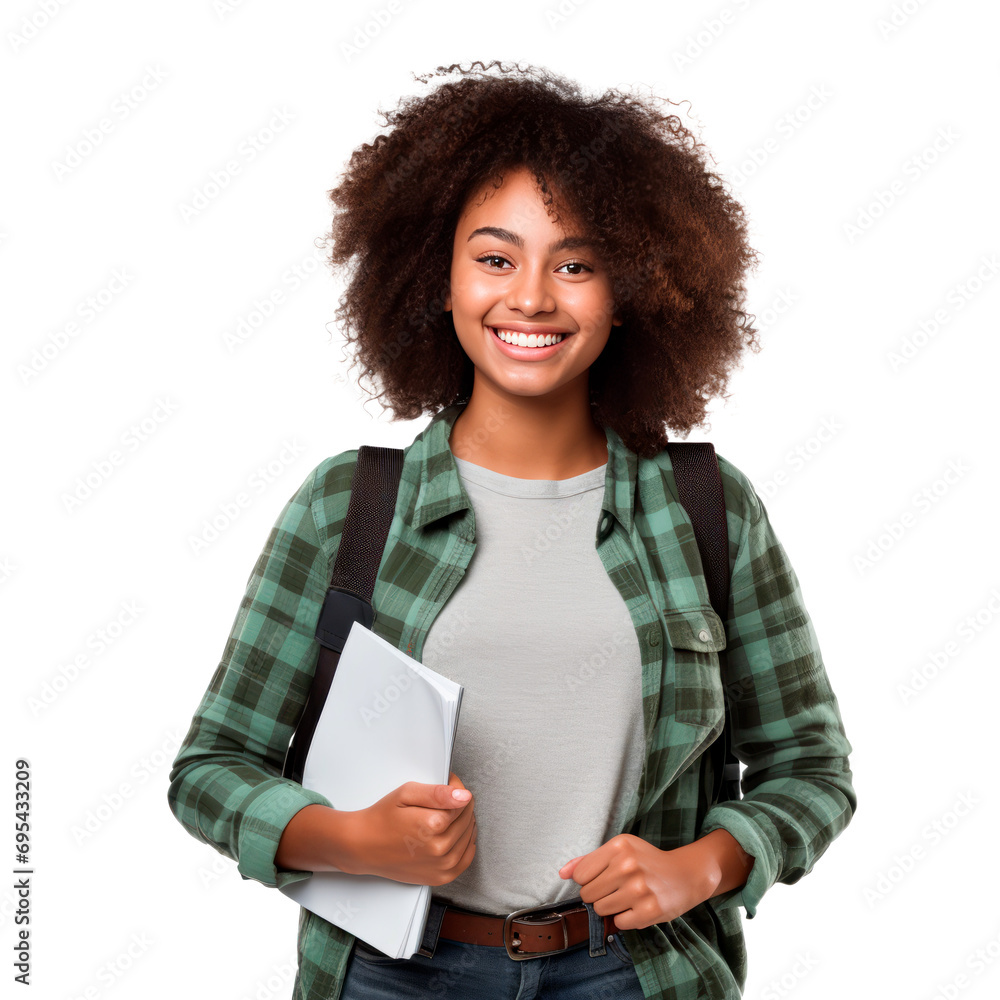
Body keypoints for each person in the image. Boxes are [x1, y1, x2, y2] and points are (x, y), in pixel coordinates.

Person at [167, 61, 856, 1000]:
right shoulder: (351, 506)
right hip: (390, 973)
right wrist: (346, 837)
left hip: (633, 973)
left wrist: (702, 866)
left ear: (632, 289)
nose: (531, 297)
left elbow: (810, 769)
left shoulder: (708, 508)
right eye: (495, 258)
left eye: (575, 264)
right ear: (437, 280)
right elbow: (213, 766)